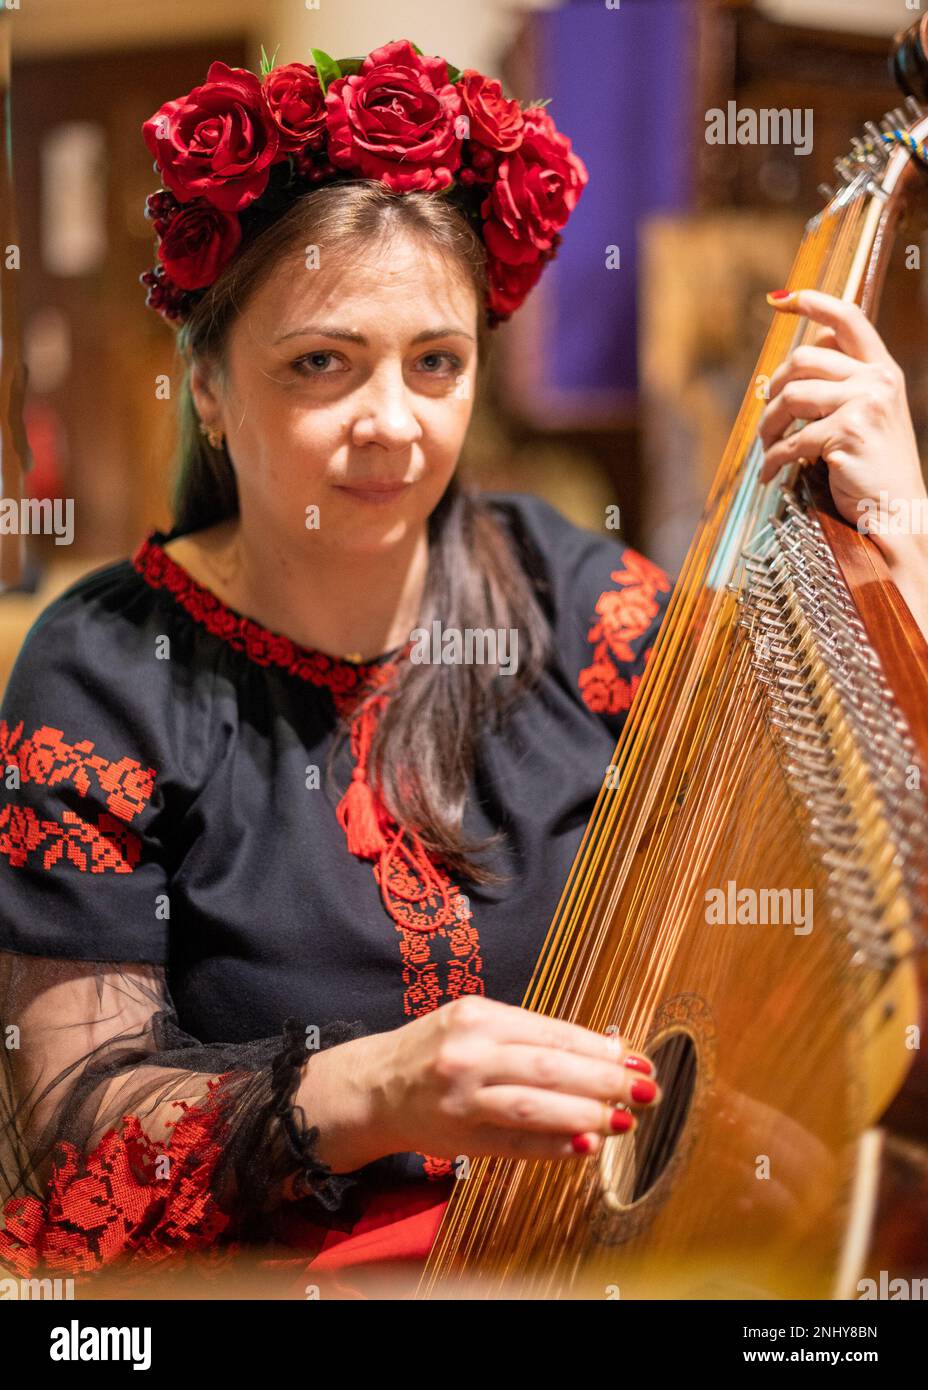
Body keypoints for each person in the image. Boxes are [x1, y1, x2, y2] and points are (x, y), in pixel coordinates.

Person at [1, 40, 926, 1301]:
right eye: (321, 363)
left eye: (434, 361)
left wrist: (905, 543)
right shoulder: (105, 672)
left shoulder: (574, 594)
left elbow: (853, 809)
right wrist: (378, 1088)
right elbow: (77, 1140)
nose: (394, 421)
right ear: (208, 388)